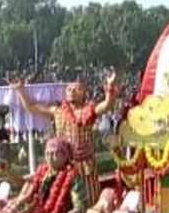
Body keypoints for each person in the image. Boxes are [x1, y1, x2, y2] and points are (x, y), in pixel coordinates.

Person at [13, 70, 119, 203]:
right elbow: (32, 107)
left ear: (84, 93)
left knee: (88, 201)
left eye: (77, 89)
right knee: (61, 200)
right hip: (62, 164)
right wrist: (20, 90)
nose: (72, 91)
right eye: (69, 88)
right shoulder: (58, 111)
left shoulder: (89, 111)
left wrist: (110, 86)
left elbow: (107, 105)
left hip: (84, 165)